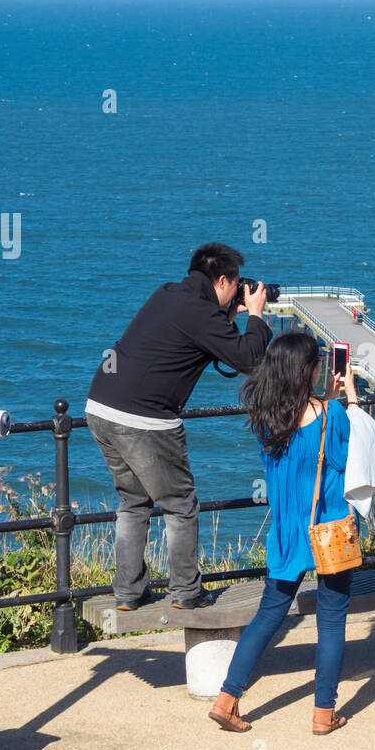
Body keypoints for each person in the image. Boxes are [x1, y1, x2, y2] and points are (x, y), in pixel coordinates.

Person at [85, 243, 271, 613]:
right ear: (222, 280)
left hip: (100, 407)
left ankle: (128, 593)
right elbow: (249, 359)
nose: (239, 291)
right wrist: (257, 315)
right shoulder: (202, 313)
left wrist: (229, 320)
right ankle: (187, 592)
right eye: (236, 285)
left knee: (134, 503)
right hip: (144, 419)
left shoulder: (168, 293)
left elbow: (195, 342)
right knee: (181, 505)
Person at [208, 332, 362, 736]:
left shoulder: (265, 419)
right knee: (331, 620)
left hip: (286, 532)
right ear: (309, 370)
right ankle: (323, 714)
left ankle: (227, 699)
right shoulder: (332, 416)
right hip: (328, 530)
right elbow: (355, 455)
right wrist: (350, 399)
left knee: (267, 616)